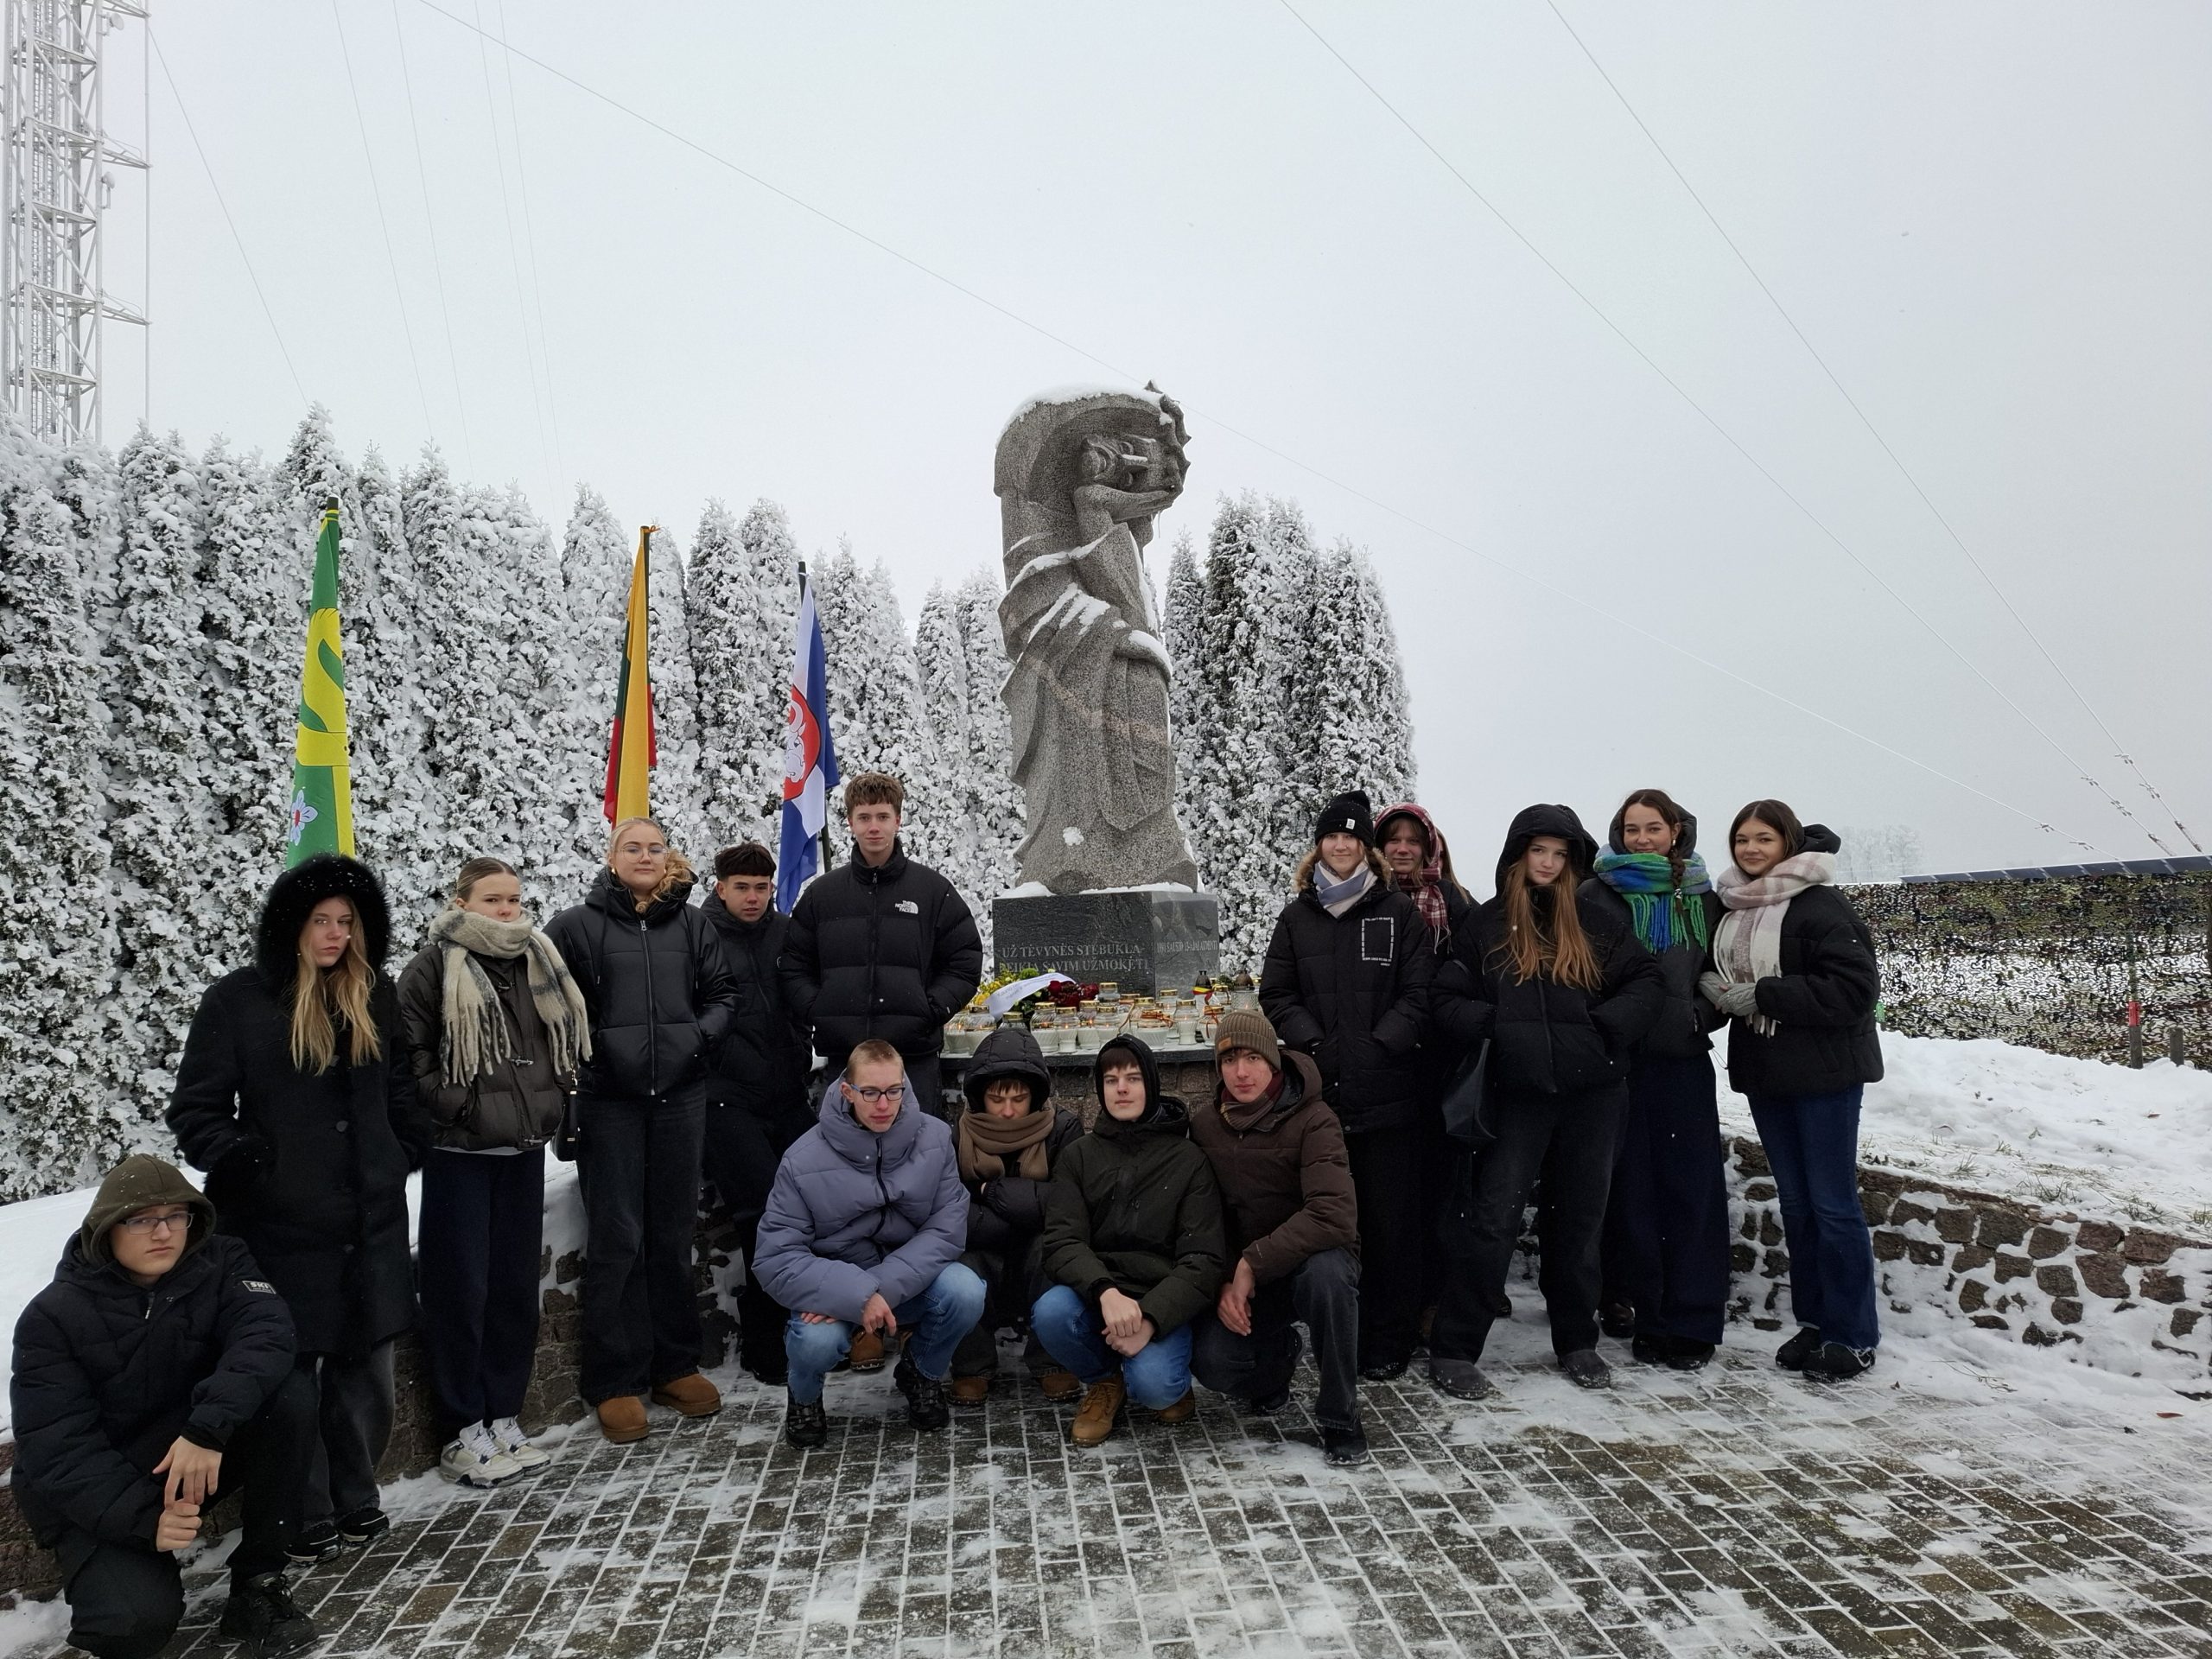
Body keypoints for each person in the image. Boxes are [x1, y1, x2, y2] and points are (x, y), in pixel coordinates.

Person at [168, 854, 429, 1562]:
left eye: (347, 921)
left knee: (365, 1374)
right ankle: (301, 1509)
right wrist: (249, 1162)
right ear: (292, 925)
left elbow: (401, 1090)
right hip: (278, 1229)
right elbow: (195, 1111)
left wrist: (403, 1149)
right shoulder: (238, 1002)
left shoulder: (374, 994)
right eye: (321, 920)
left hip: (369, 1225)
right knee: (291, 1378)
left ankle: (357, 1496)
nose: (335, 934)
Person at [10, 1157, 319, 1659]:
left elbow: (267, 1335)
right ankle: (131, 1577)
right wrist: (143, 1520)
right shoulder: (52, 1317)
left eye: (177, 1216)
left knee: (288, 1397)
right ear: (106, 1227)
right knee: (131, 1627)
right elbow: (55, 1447)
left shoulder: (223, 1263)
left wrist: (206, 1431)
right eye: (142, 1219)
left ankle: (257, 1585)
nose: (164, 1232)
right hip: (102, 1482)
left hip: (187, 1450)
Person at [1427, 807, 1664, 1398]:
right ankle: (1456, 1347)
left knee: (1580, 1220)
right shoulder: (1485, 926)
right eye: (1539, 852)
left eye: (1560, 855)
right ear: (1518, 856)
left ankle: (1577, 1340)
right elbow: (1445, 996)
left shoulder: (1596, 920)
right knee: (1493, 1219)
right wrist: (1497, 1027)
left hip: (1593, 1096)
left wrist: (1602, 1029)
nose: (1549, 864)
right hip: (1516, 1097)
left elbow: (1646, 983)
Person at [543, 817, 741, 1444]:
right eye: (634, 847)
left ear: (668, 858)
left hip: (680, 1097)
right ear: (612, 857)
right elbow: (549, 1006)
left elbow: (722, 994)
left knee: (671, 1233)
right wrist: (595, 1052)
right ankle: (615, 1380)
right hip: (611, 1103)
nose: (646, 856)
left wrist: (694, 1038)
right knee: (617, 1239)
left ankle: (674, 1366)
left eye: (656, 847)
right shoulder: (575, 926)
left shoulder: (693, 924)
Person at [397, 855, 590, 1484]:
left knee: (512, 1291)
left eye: (512, 899)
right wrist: (463, 1107)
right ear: (461, 904)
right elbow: (411, 1057)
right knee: (461, 1293)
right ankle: (462, 1430)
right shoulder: (432, 969)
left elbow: (555, 1045)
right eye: (492, 900)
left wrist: (553, 1102)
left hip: (523, 1151)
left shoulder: (536, 959)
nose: (507, 911)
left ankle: (504, 1415)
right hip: (461, 1156)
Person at [1701, 802, 1885, 1382]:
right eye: (1742, 839)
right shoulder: (1732, 905)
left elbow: (1854, 990)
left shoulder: (1818, 903)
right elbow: (1723, 971)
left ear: (1788, 842)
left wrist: (1766, 995)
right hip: (1769, 1075)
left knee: (1833, 1205)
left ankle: (1852, 1335)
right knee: (1798, 1204)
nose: (1751, 850)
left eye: (1764, 839)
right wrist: (1714, 984)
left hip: (1826, 1074)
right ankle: (1815, 1323)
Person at [1259, 790, 1435, 1381]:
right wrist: (1311, 1043)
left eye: (1352, 837)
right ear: (1319, 846)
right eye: (1332, 836)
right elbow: (1276, 995)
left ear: (1366, 848)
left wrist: (1382, 1042)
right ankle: (1343, 1334)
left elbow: (1419, 994)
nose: (1342, 845)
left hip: (1388, 1097)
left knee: (1392, 1225)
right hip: (1321, 1100)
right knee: (1336, 1223)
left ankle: (1390, 1337)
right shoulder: (1297, 917)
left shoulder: (1396, 913)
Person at [752, 1040, 986, 1448]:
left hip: (903, 1282)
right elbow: (776, 1257)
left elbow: (947, 1227)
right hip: (835, 1289)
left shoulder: (933, 1137)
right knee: (814, 1341)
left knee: (965, 1290)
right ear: (847, 1092)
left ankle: (920, 1373)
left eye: (893, 1091)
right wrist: (853, 1295)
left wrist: (876, 1289)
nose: (883, 1104)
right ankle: (804, 1398)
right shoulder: (802, 1159)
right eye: (870, 1092)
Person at [1584, 791, 1732, 1371]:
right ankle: (1650, 1312)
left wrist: (1700, 1015)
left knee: (1692, 1191)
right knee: (1633, 1193)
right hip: (1619, 1063)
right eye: (1631, 829)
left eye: (1652, 828)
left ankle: (1693, 1318)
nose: (1641, 839)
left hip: (1682, 1060)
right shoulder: (1596, 894)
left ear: (1677, 831)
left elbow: (1726, 972)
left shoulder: (1701, 897)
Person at [1188, 1009, 1368, 1466]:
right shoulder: (1206, 1125)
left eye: (1252, 1057)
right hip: (1246, 1275)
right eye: (1229, 1060)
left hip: (1310, 1262)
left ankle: (1339, 1415)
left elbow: (1333, 1214)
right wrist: (1227, 1279)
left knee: (1328, 1278)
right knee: (1213, 1361)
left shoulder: (1314, 1119)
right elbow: (1204, 1215)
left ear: (1273, 1060)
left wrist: (1252, 1263)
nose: (1241, 1072)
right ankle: (1274, 1369)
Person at [1033, 1035, 1228, 1447]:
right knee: (1051, 1312)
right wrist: (1104, 1291)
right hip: (1100, 1294)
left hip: (1162, 1297)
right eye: (1111, 1079)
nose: (1121, 1088)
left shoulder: (1188, 1160)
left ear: (1151, 1085)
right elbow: (1063, 1240)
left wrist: (1151, 1319)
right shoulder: (1080, 1156)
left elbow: (1203, 1259)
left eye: (1133, 1078)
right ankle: (1105, 1382)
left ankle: (1162, 1377)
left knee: (1157, 1389)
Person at [780, 771, 983, 1125]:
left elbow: (964, 960)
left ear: (898, 820)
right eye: (864, 817)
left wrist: (930, 1008)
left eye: (882, 816)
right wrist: (819, 1008)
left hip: (912, 1057)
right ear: (850, 823)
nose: (874, 827)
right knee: (844, 1159)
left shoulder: (932, 891)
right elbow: (794, 963)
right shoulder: (823, 895)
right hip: (846, 1056)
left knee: (918, 1156)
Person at [698, 842, 816, 1385]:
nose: (752, 897)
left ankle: (812, 1328)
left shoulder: (786, 931)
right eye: (741, 887)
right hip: (728, 1098)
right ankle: (765, 1339)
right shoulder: (697, 936)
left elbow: (805, 994)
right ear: (720, 887)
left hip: (787, 1092)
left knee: (814, 1201)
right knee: (762, 1213)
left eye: (761, 887)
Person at [1375, 802, 1483, 1326]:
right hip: (1385, 1063)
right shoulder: (1363, 901)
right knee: (1393, 1191)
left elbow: (1476, 974)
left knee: (1444, 1189)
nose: (1401, 849)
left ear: (1430, 847)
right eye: (1392, 839)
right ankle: (1396, 1297)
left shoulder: (1457, 904)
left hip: (1442, 1065)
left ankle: (1438, 1300)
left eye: (1411, 840)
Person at [948, 1025, 1084, 1404]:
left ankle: (1051, 1360)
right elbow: (950, 1205)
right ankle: (972, 1365)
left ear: (1035, 1096)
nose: (1008, 1111)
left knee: (1054, 1248)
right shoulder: (958, 1133)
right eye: (996, 1100)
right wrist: (1016, 1214)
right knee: (960, 1261)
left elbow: (1070, 1202)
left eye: (1019, 1100)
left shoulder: (1062, 1129)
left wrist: (996, 1193)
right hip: (982, 1239)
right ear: (980, 1097)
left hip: (1037, 1241)